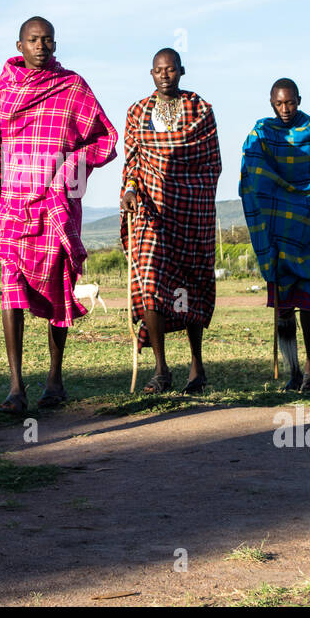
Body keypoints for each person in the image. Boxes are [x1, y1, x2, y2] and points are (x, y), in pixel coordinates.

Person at [0, 17, 117, 414]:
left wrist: (72, 165)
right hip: (14, 201)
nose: (41, 46)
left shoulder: (73, 86)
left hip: (56, 204)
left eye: (47, 40)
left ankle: (54, 378)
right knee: (12, 287)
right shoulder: (4, 89)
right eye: (33, 40)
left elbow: (106, 137)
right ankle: (15, 386)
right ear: (20, 44)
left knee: (56, 285)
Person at [120, 49, 221, 394]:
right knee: (149, 280)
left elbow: (211, 163)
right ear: (151, 73)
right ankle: (161, 369)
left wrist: (190, 191)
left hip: (190, 212)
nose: (165, 75)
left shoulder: (201, 110)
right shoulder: (137, 112)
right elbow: (132, 161)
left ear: (181, 72)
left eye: (171, 70)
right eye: (159, 71)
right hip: (150, 211)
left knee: (189, 287)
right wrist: (131, 189)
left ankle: (197, 364)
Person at [240, 78, 310, 391]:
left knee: (306, 296)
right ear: (271, 102)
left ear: (299, 98)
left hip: (308, 223)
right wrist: (270, 202)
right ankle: (292, 370)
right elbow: (251, 172)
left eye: (290, 103)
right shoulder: (262, 132)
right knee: (284, 303)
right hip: (277, 227)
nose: (285, 109)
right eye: (279, 104)